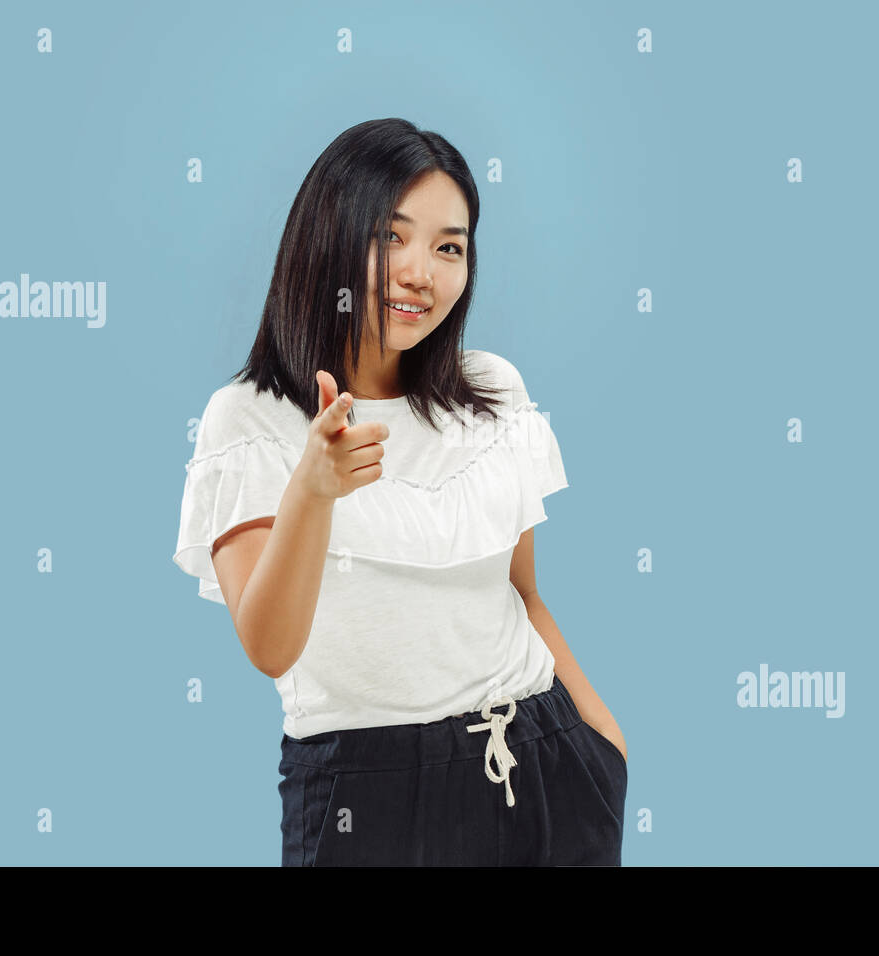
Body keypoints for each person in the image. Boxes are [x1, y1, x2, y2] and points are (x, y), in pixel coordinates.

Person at [172, 118, 627, 866]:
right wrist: (312, 493)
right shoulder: (249, 420)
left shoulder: (493, 392)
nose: (422, 273)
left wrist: (604, 745)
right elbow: (270, 648)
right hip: (368, 797)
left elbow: (523, 593)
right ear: (328, 236)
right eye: (392, 236)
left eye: (450, 247)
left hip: (545, 767)